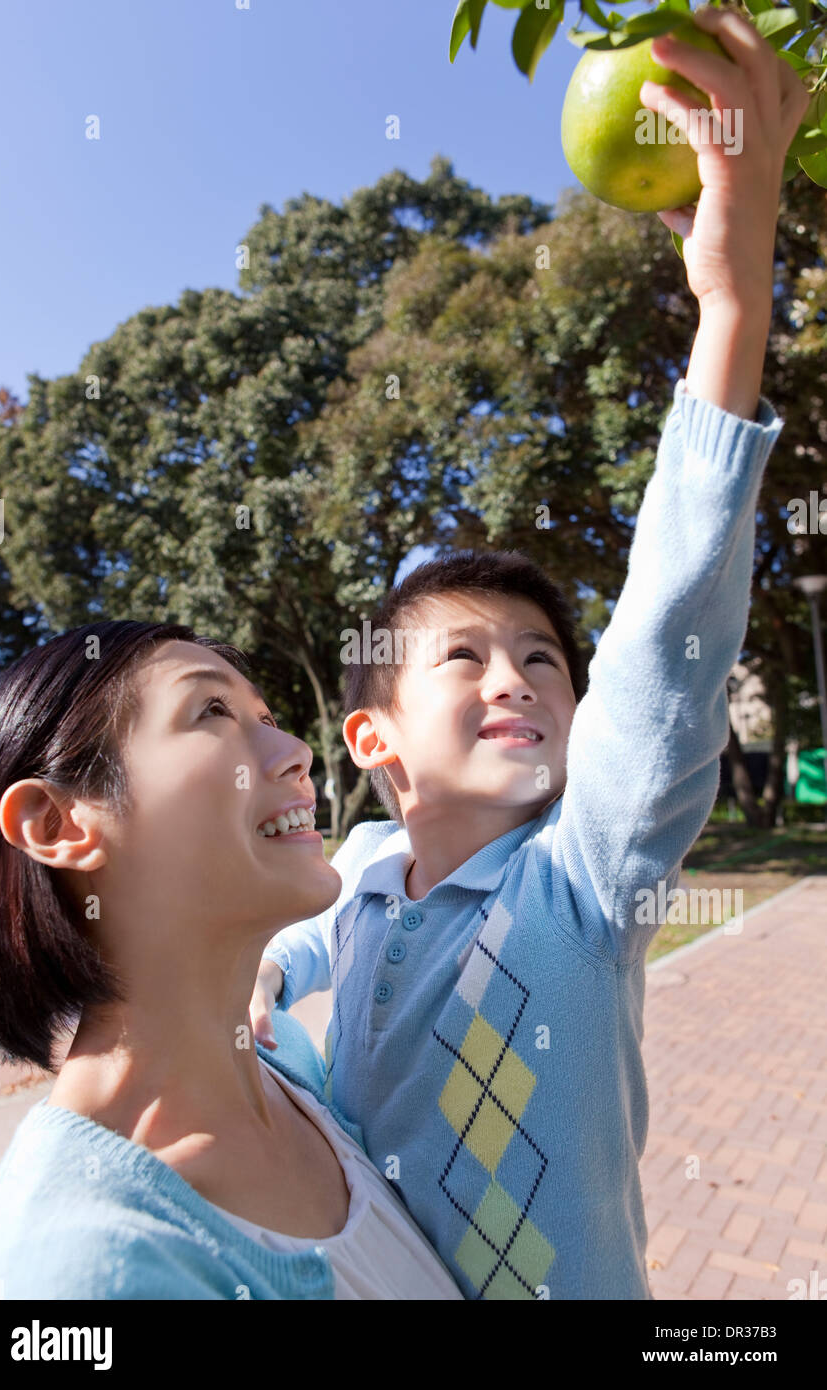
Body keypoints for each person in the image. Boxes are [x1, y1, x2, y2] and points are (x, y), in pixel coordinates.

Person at [250, 8, 811, 1300]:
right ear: (371, 739)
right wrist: (266, 979)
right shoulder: (372, 877)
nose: (517, 675)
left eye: (544, 661)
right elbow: (319, 919)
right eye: (463, 658)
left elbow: (666, 645)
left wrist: (729, 304)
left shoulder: (578, 883)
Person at [0, 622, 463, 1299]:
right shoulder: (71, 1271)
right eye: (213, 711)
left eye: (268, 717)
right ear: (60, 825)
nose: (296, 752)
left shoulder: (288, 1061)